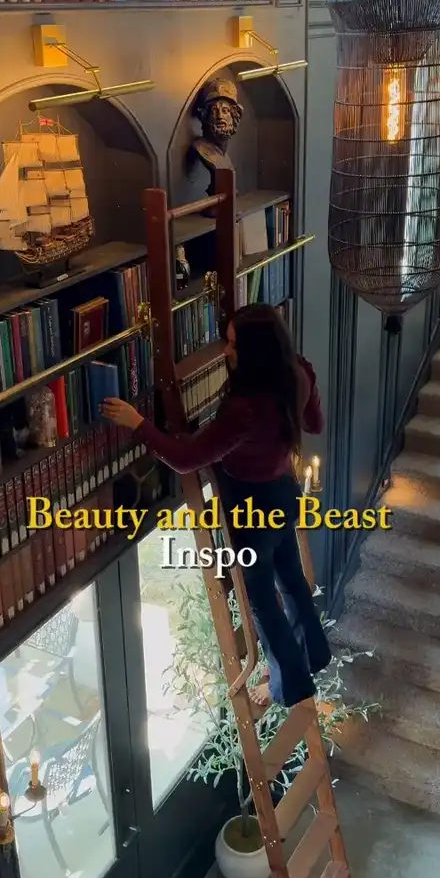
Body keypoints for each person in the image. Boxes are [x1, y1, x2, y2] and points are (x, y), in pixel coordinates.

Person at [102, 304, 331, 709]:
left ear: (255, 350)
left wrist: (139, 424)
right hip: (284, 495)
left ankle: (289, 685)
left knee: (263, 601)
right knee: (292, 583)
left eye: (233, 344)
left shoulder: (245, 408)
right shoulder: (296, 372)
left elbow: (185, 459)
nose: (226, 351)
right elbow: (315, 424)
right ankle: (313, 655)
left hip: (252, 512)